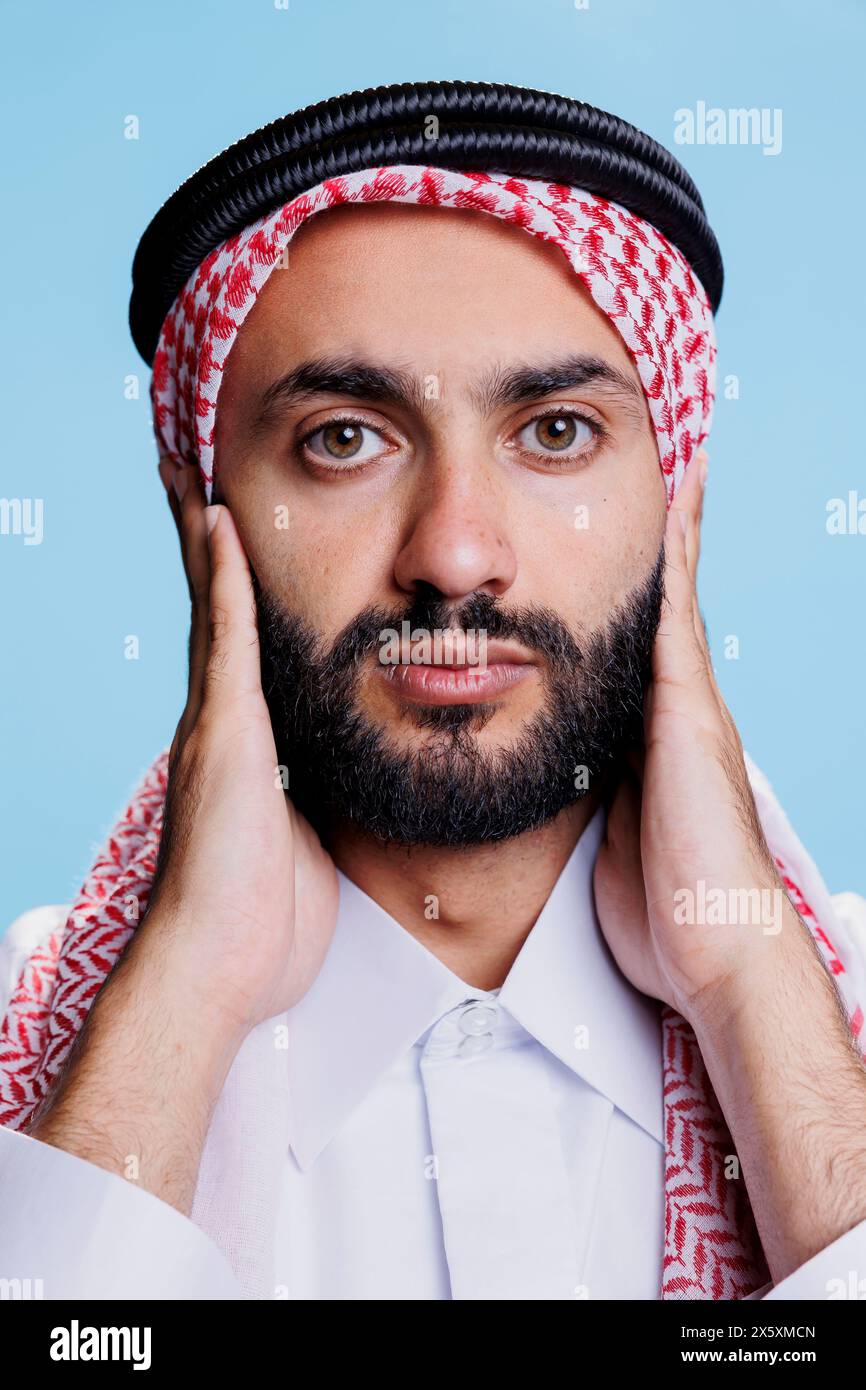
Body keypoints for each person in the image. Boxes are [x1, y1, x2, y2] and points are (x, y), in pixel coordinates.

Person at [2, 80, 865, 1302]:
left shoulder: (832, 1030)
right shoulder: (40, 1074)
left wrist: (748, 985)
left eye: (555, 432)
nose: (455, 553)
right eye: (344, 438)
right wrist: (183, 995)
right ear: (202, 510)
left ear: (677, 506)